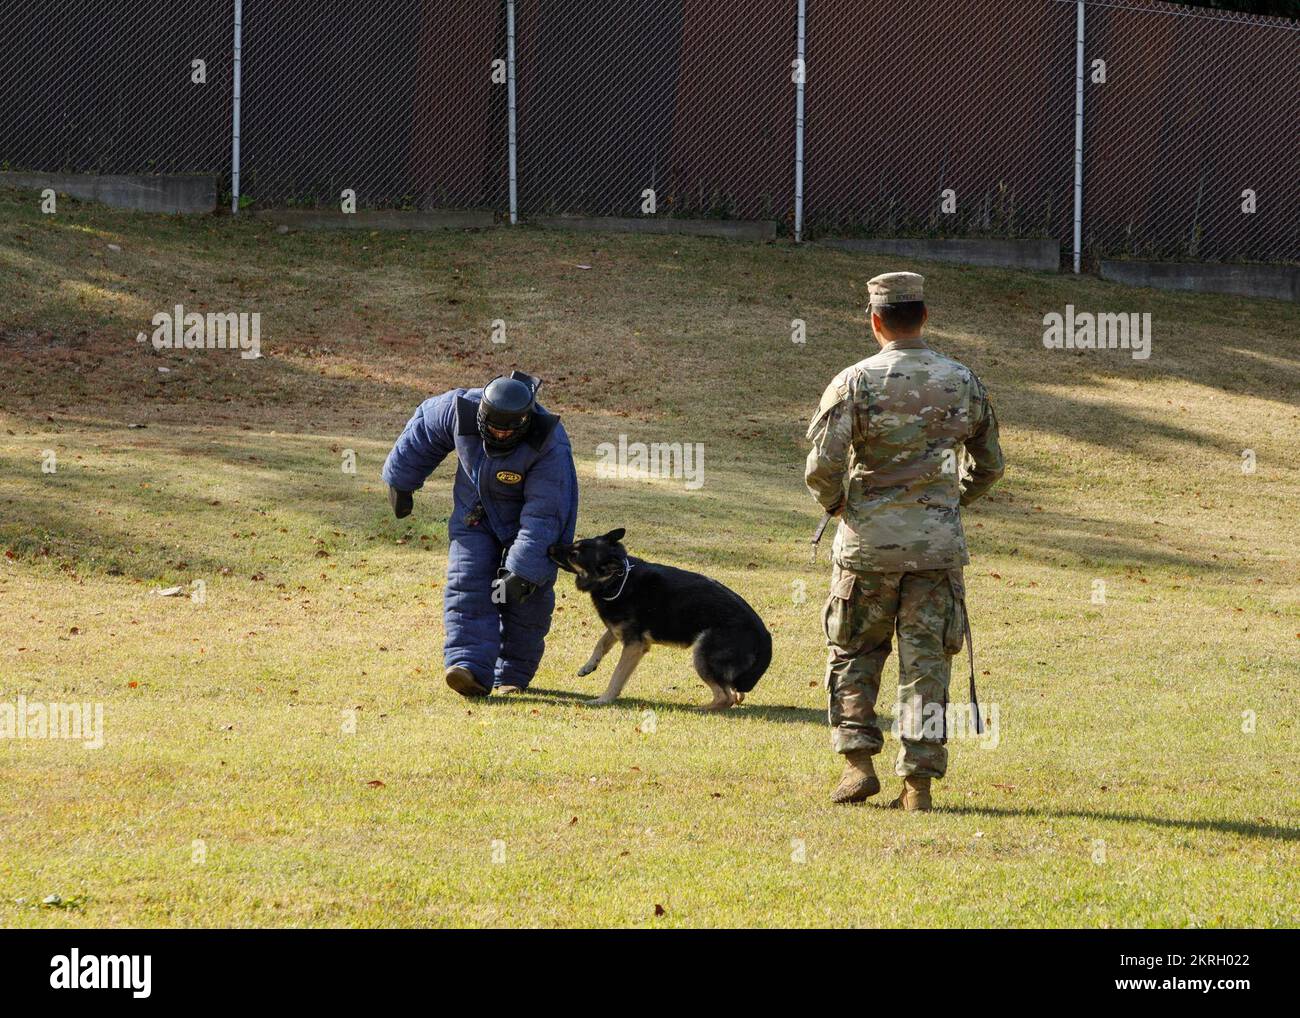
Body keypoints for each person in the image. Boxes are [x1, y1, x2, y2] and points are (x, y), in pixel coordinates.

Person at [805, 272, 1004, 810]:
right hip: (935, 551)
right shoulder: (961, 380)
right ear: (924, 317)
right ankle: (918, 786)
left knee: (854, 652)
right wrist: (949, 504)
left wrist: (838, 504)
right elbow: (990, 465)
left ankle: (858, 765)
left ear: (875, 321)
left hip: (867, 546)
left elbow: (822, 466)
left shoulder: (855, 381)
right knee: (927, 665)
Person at [383, 372, 579, 697]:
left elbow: (546, 514)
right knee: (467, 582)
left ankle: (511, 676)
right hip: (474, 514)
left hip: (526, 525)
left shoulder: (549, 443)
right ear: (482, 415)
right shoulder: (460, 408)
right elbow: (424, 431)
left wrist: (524, 570)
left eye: (508, 429)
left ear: (525, 422)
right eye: (494, 426)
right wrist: (400, 481)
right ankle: (468, 667)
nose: (500, 433)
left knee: (524, 598)